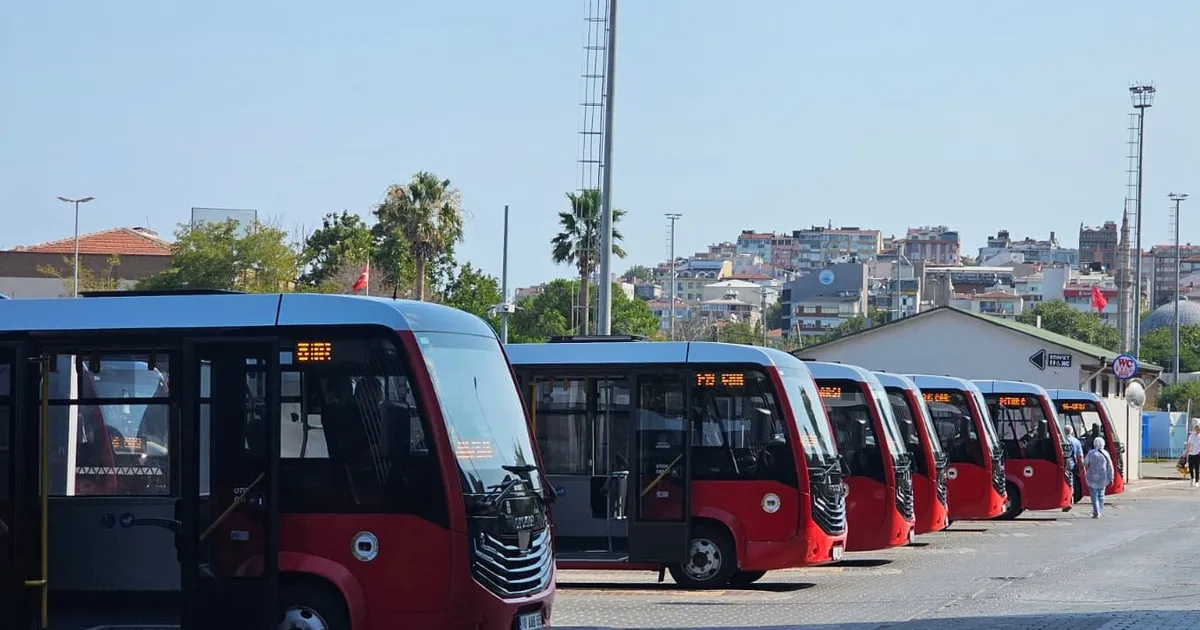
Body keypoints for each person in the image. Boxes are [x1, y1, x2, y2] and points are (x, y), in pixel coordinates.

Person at [1083, 436, 1115, 518]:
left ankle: (1096, 511)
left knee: (1094, 495)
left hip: (1092, 476)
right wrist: (1111, 477)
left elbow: (1085, 463)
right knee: (1101, 494)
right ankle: (1100, 510)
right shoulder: (1106, 453)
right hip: (1102, 476)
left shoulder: (1091, 453)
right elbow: (1110, 466)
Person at [1063, 425, 1084, 504]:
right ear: (1071, 432)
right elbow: (1080, 456)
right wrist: (1082, 467)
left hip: (1063, 464)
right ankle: (1070, 498)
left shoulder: (1062, 440)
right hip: (1072, 465)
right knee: (1072, 481)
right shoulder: (1076, 441)